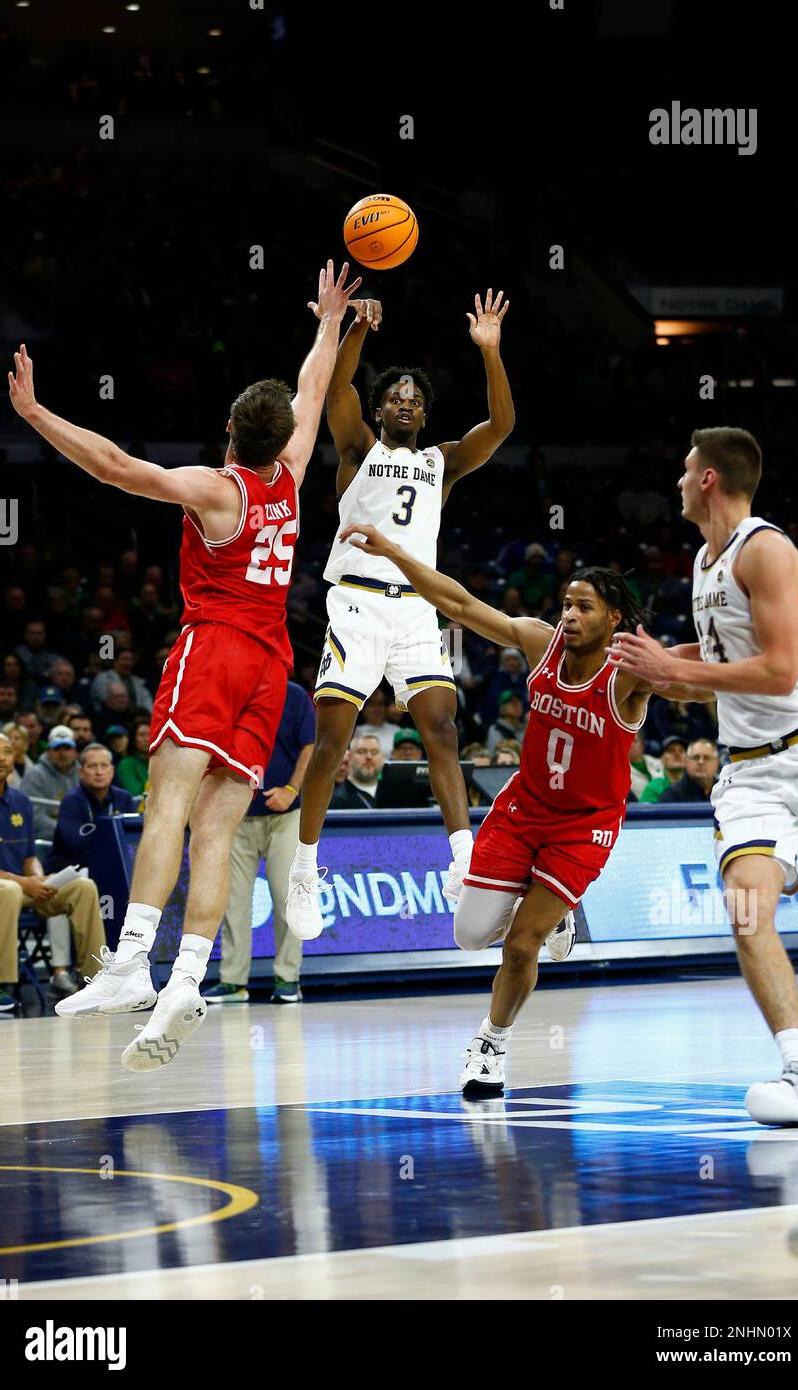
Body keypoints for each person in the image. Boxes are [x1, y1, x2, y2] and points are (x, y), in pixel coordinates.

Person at [8, 260, 361, 1069]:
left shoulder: (217, 489)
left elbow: (112, 466)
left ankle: (132, 960)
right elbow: (311, 393)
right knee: (216, 830)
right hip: (275, 663)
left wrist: (35, 413)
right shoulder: (293, 475)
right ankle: (188, 980)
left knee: (166, 805)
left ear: (232, 432)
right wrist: (328, 325)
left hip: (217, 647)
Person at [339, 521, 712, 1095]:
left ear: (614, 618)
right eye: (565, 603)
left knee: (520, 943)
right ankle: (549, 918)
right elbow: (458, 603)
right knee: (467, 935)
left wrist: (762, 652)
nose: (569, 615)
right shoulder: (541, 644)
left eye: (583, 607)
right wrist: (392, 550)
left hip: (585, 826)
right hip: (523, 807)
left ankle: (491, 1044)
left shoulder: (631, 673)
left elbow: (700, 678)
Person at [611, 426, 798, 1128]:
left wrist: (674, 669)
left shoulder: (766, 550)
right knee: (746, 913)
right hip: (749, 769)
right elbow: (716, 667)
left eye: (685, 469)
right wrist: (654, 663)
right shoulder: (705, 561)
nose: (677, 481)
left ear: (709, 478)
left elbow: (775, 671)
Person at [287, 288, 514, 941]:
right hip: (357, 602)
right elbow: (336, 392)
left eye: (415, 396)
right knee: (332, 740)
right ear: (382, 407)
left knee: (441, 730)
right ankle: (306, 869)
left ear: (425, 411)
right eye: (395, 395)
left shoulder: (441, 463)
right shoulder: (358, 450)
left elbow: (499, 428)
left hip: (417, 608)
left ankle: (464, 863)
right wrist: (357, 329)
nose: (406, 400)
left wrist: (491, 353)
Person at [0, 733, 106, 1015]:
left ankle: (96, 979)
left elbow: (29, 856)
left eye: (7, 751)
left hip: (18, 886)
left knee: (83, 887)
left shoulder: (21, 800)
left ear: (14, 758)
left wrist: (39, 877)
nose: (1, 757)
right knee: (6, 890)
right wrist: (24, 882)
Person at [203, 680, 315, 1006]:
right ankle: (233, 981)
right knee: (234, 901)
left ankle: (288, 978)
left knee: (286, 896)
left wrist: (292, 789)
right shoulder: (229, 693)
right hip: (237, 813)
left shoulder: (292, 695)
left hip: (286, 814)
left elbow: (310, 746)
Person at [48, 742, 138, 873]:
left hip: (115, 865)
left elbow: (133, 840)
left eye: (104, 765)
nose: (99, 772)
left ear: (112, 771)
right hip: (73, 868)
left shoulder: (124, 798)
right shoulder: (71, 800)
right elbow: (75, 845)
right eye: (92, 766)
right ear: (81, 772)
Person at [20, 724, 80, 841]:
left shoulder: (83, 773)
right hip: (44, 842)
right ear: (48, 751)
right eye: (57, 748)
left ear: (75, 752)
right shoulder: (34, 775)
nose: (62, 754)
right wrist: (70, 831)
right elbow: (35, 818)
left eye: (67, 748)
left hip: (78, 838)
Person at [329, 733, 384, 809]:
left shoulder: (393, 793)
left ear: (382, 758)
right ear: (350, 758)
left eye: (374, 752)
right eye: (361, 752)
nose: (369, 757)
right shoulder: (337, 800)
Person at [657, 738, 719, 802]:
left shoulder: (725, 790)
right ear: (686, 762)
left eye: (707, 758)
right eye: (696, 757)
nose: (701, 762)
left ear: (717, 763)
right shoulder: (671, 795)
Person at [353, 685, 402, 759]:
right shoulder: (356, 731)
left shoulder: (396, 730)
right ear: (363, 708)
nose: (376, 709)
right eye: (372, 704)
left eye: (380, 704)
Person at [639, 735, 687, 802]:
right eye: (671, 751)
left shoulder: (697, 785)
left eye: (681, 751)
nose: (677, 754)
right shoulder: (653, 788)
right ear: (662, 758)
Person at [116, 717, 151, 797]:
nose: (147, 739)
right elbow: (136, 794)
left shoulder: (159, 762)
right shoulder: (126, 764)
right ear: (133, 739)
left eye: (150, 734)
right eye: (142, 735)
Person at [485, 691, 528, 755]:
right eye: (512, 702)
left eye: (519, 701)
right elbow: (496, 755)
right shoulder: (496, 729)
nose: (517, 705)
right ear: (502, 708)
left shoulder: (526, 726)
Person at [627, 729, 662, 801]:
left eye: (634, 741)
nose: (630, 744)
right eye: (628, 740)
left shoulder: (658, 762)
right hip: (638, 809)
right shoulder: (618, 770)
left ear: (642, 745)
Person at [1, 721, 35, 788]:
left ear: (25, 743)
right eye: (9, 738)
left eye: (17, 738)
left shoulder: (31, 766)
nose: (12, 742)